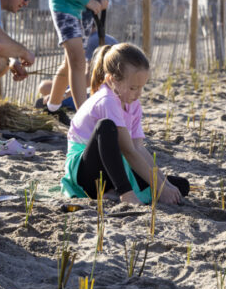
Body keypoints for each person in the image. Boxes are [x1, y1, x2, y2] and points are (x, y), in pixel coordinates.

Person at [60, 43, 189, 205]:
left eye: (142, 87)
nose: (139, 94)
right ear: (111, 80)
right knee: (105, 127)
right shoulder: (107, 100)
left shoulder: (133, 104)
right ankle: (125, 193)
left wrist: (164, 185)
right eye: (133, 88)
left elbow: (138, 148)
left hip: (116, 168)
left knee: (181, 186)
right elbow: (128, 151)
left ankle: (112, 192)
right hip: (86, 174)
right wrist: (159, 187)